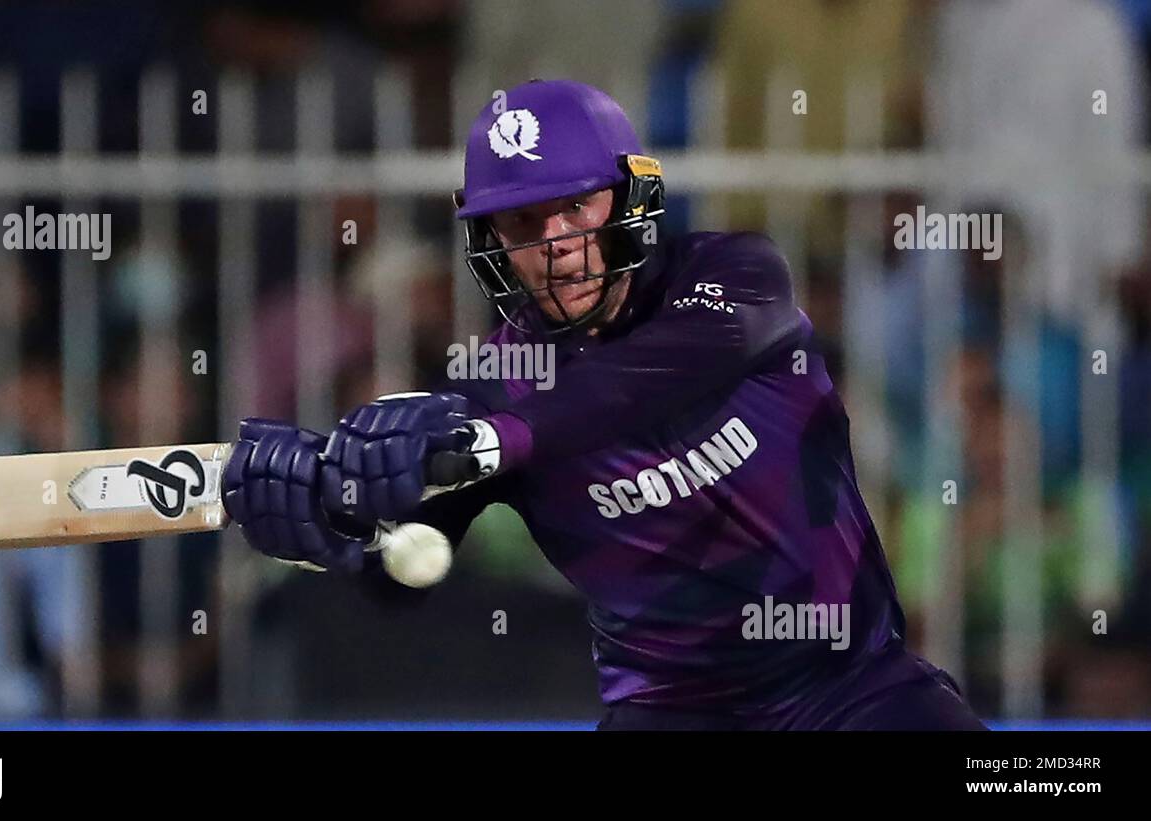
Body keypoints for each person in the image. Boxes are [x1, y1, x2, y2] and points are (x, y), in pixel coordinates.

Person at [221, 79, 986, 730]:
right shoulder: (491, 391)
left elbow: (616, 392)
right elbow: (396, 572)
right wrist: (332, 527)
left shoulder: (736, 275)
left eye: (577, 206)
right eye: (523, 221)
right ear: (488, 237)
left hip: (855, 691)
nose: (556, 242)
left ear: (633, 195)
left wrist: (486, 440)